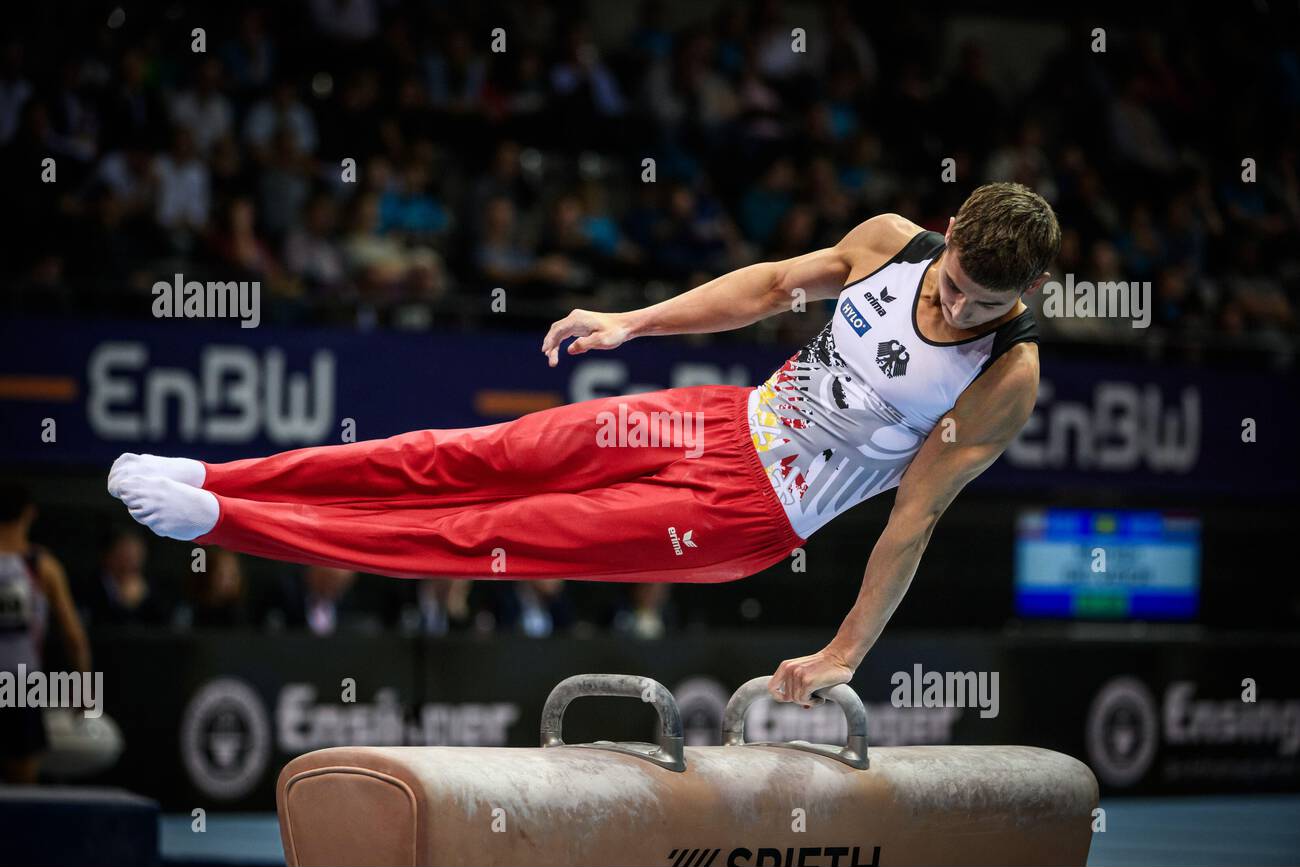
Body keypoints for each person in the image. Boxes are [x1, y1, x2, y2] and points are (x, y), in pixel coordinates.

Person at [107, 182, 1056, 705]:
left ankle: (221, 520)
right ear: (947, 232)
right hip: (720, 415)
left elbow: (914, 517)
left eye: (987, 305)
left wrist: (843, 653)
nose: (959, 308)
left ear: (1022, 299)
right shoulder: (893, 242)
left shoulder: (1006, 376)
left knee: (485, 532)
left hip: (749, 513)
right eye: (958, 282)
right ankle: (213, 472)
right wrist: (633, 323)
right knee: (464, 456)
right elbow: (769, 286)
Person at [0, 481, 92, 783]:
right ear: (29, 514)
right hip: (20, 687)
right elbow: (74, 638)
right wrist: (83, 690)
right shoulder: (43, 567)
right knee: (22, 791)